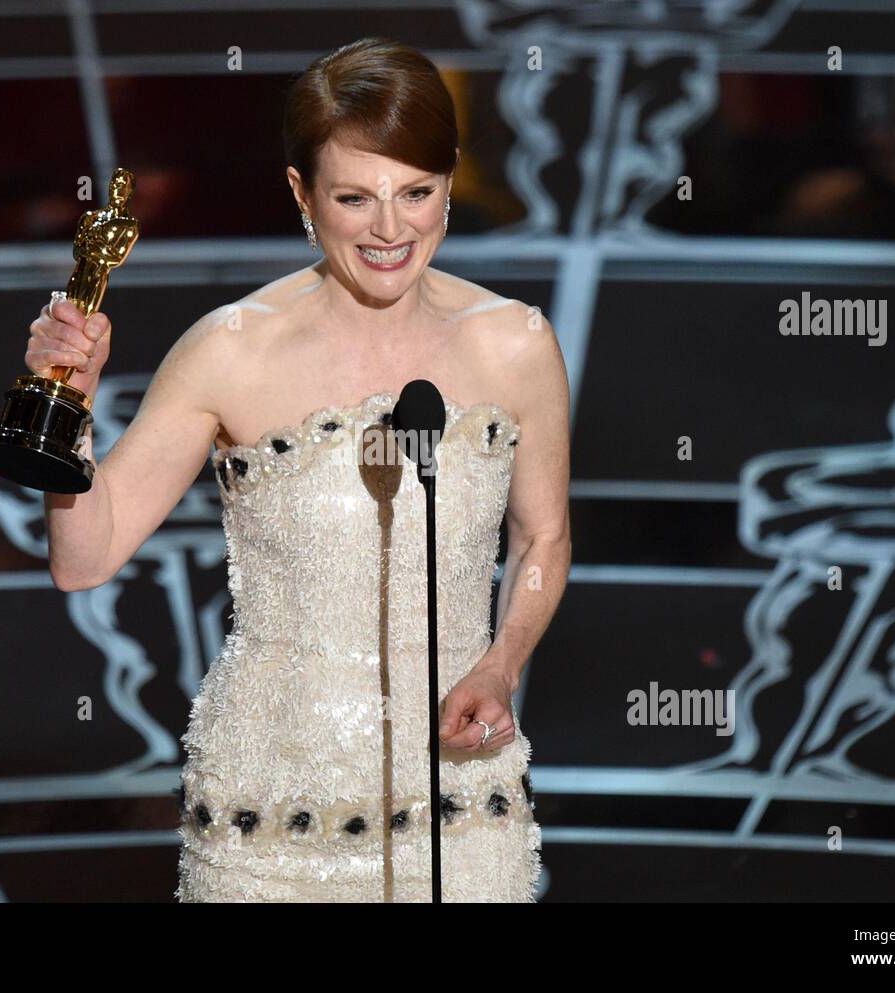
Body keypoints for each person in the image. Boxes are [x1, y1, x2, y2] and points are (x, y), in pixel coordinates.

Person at [33, 37, 572, 902]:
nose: (391, 230)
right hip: (269, 822)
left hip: (459, 809)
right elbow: (84, 558)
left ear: (450, 179)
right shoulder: (231, 351)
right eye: (355, 198)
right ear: (301, 194)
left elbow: (543, 532)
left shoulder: (516, 344)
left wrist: (501, 664)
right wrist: (69, 410)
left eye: (417, 194)